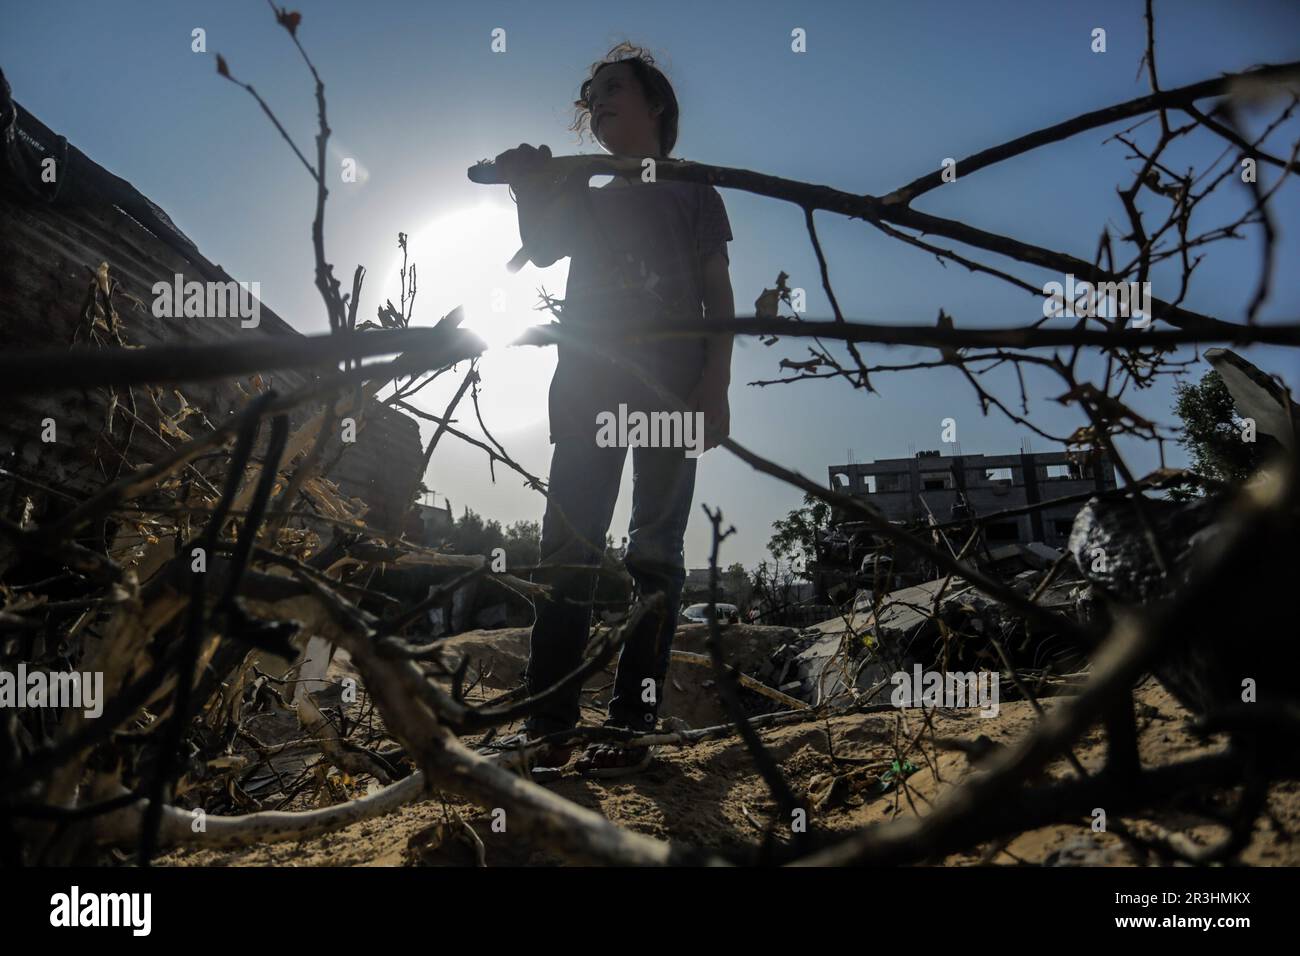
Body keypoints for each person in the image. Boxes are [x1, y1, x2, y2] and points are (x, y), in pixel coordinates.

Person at [490, 42, 735, 777]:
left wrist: (715, 383)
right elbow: (540, 248)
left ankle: (631, 725)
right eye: (590, 95)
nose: (597, 103)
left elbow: (717, 293)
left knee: (654, 554)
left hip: (670, 390)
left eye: (613, 89)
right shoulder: (584, 194)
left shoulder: (695, 191)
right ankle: (550, 727)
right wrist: (529, 185)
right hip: (590, 389)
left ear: (655, 103)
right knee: (566, 551)